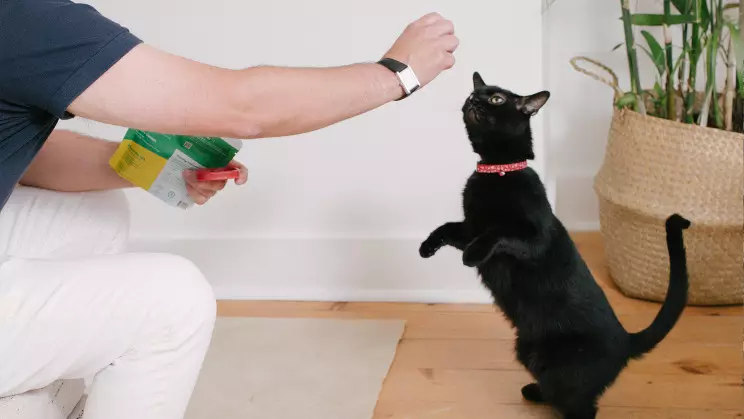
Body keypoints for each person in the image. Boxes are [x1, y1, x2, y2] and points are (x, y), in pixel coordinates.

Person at [0, 1, 459, 418]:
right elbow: (240, 107)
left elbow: (24, 154)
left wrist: (149, 167)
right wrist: (396, 74)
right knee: (172, 302)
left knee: (92, 217)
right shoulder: (24, 19)